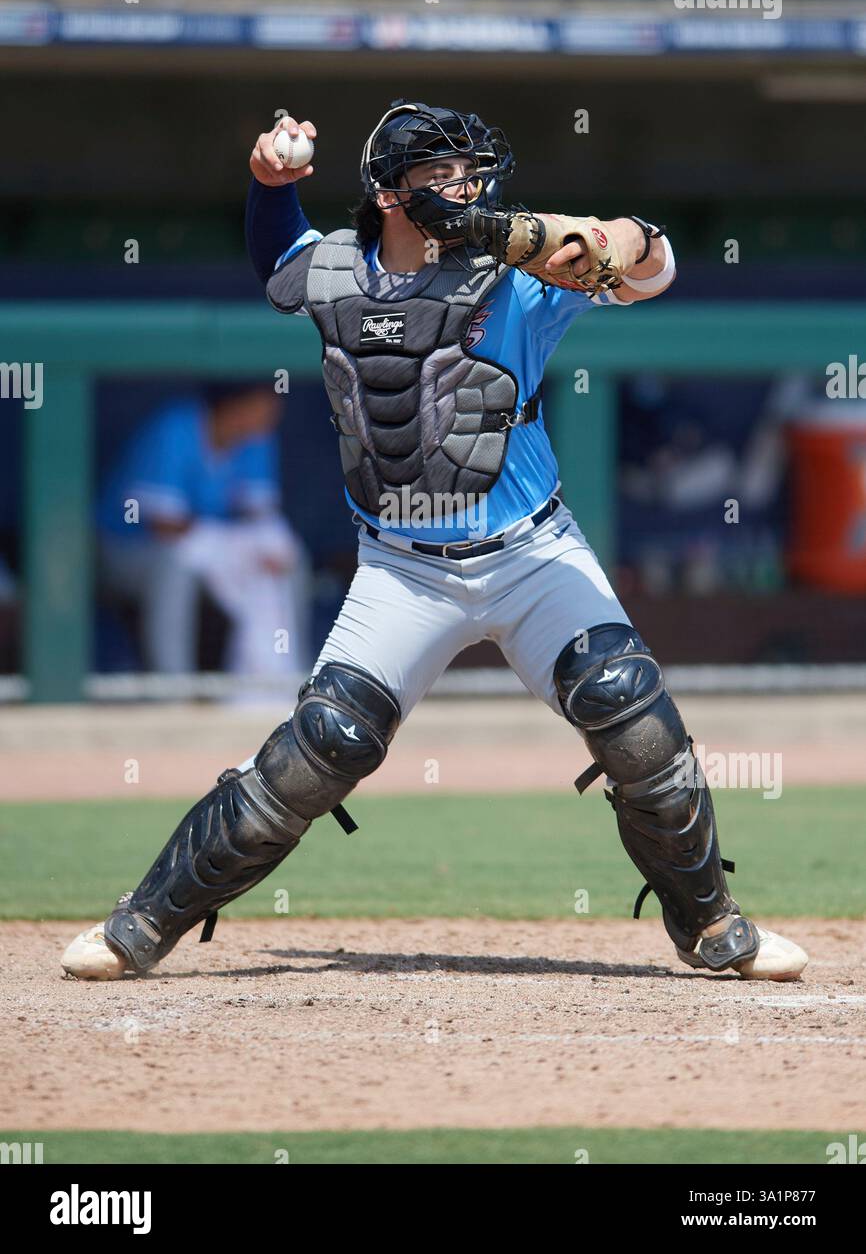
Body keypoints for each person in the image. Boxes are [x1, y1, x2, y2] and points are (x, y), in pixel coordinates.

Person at [62, 101, 807, 982]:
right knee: (324, 745)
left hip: (534, 554)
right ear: (388, 192)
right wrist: (271, 180)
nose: (466, 189)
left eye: (474, 173)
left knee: (630, 713)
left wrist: (602, 242)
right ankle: (141, 924)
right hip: (402, 570)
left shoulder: (519, 276)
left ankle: (713, 925)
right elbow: (278, 252)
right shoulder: (335, 272)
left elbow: (653, 263)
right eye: (443, 174)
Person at [96, 382, 310, 682]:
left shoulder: (257, 439)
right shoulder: (176, 428)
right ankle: (173, 688)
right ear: (234, 405)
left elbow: (258, 513)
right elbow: (163, 524)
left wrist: (260, 546)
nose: (273, 413)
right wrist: (232, 542)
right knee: (175, 566)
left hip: (206, 545)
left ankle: (284, 679)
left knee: (288, 561)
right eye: (263, 404)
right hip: (125, 549)